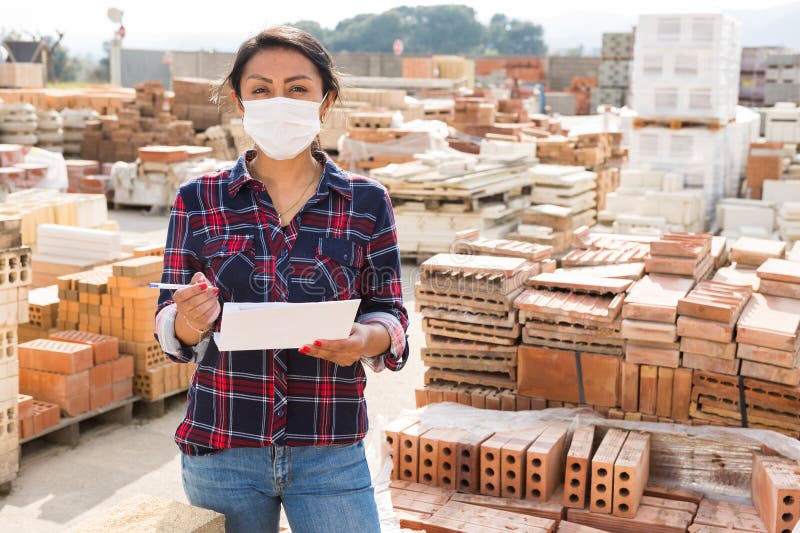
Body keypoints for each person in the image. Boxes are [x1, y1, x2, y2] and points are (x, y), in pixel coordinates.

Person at [153, 25, 409, 533]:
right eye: (261, 89)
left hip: (329, 448)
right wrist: (187, 320)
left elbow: (390, 311)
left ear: (325, 99)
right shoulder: (198, 200)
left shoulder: (366, 202)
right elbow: (169, 326)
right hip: (222, 444)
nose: (279, 101)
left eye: (297, 88)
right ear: (239, 101)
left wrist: (364, 338)